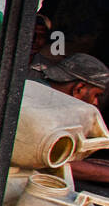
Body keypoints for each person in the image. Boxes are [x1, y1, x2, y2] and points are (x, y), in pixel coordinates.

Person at [33, 51, 109, 186]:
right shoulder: (43, 108)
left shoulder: (41, 92)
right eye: (96, 95)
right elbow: (55, 162)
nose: (96, 103)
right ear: (79, 89)